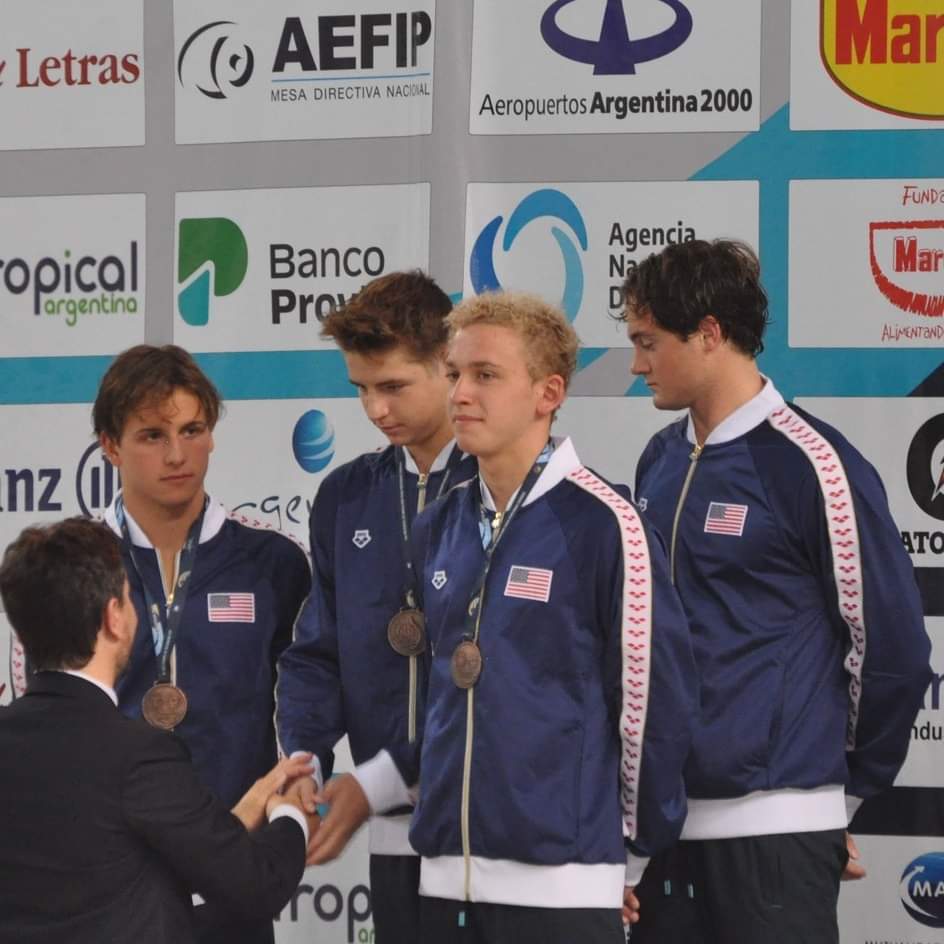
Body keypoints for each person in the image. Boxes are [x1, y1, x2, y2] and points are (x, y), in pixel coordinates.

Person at [304, 291, 698, 944]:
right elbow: (442, 708)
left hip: (561, 886)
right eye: (456, 373)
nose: (461, 393)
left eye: (486, 375)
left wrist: (629, 855)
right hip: (442, 883)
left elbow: (650, 709)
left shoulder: (606, 524)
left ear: (548, 393)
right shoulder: (442, 524)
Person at [623, 239, 933, 943]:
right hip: (665, 830)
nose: (637, 364)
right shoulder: (661, 459)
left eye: (648, 342)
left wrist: (838, 790)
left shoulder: (813, 465)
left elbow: (892, 650)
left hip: (777, 831)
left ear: (708, 334)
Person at [0, 517, 317, 944]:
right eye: (128, 597)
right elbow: (256, 885)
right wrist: (289, 811)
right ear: (115, 617)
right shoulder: (139, 756)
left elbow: (119, 867)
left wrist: (232, 825)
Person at [277, 270, 477, 943]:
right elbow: (319, 650)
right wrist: (303, 759)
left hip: (493, 827)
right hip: (390, 831)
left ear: (450, 368)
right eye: (361, 389)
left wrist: (383, 779)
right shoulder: (346, 494)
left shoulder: (503, 484)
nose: (375, 409)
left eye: (393, 386)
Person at [93, 344, 311, 944]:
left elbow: (306, 696)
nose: (177, 454)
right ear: (110, 445)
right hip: (114, 882)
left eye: (192, 430)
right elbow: (50, 714)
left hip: (232, 875)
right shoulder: (73, 563)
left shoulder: (273, 561)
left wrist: (294, 792)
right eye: (152, 435)